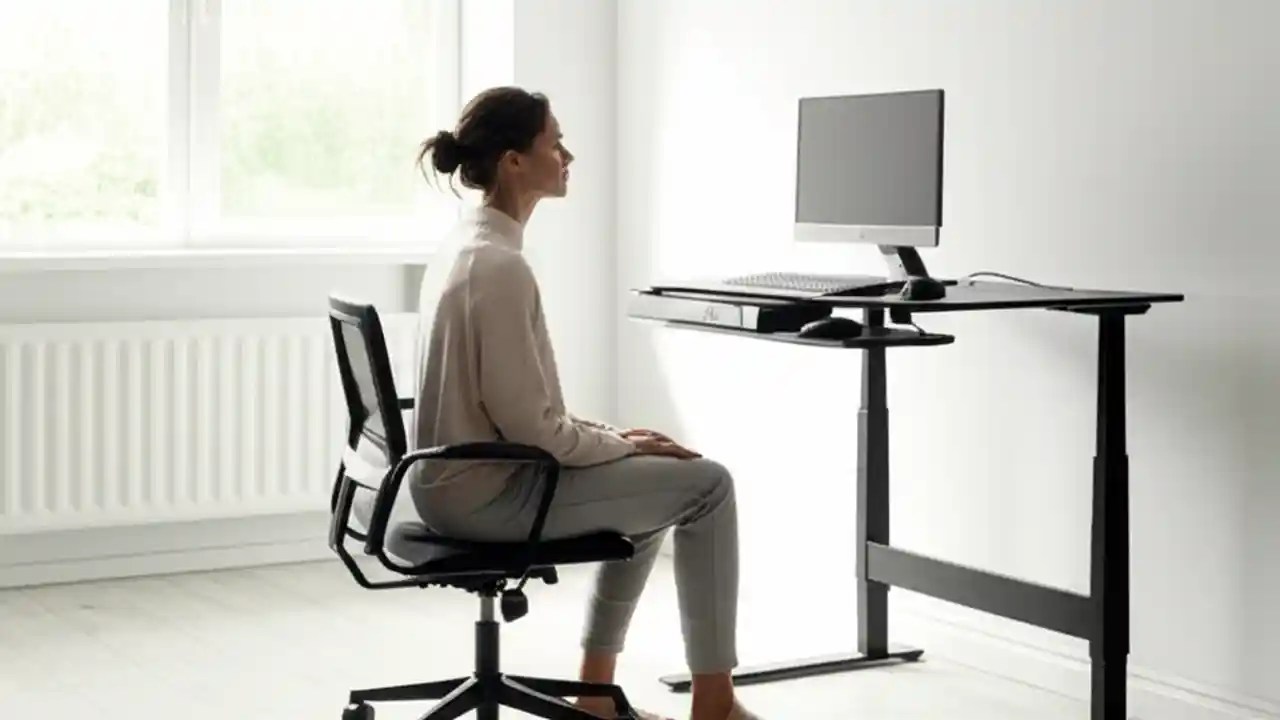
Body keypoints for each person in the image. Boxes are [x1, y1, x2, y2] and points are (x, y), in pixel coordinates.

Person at [407, 86, 763, 720]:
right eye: (555, 142)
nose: (568, 155)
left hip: (453, 481)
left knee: (663, 481)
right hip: (488, 495)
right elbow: (533, 428)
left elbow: (525, 412)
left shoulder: (467, 247)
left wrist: (618, 439)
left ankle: (594, 696)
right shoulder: (499, 268)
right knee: (707, 486)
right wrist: (620, 445)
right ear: (515, 161)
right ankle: (715, 705)